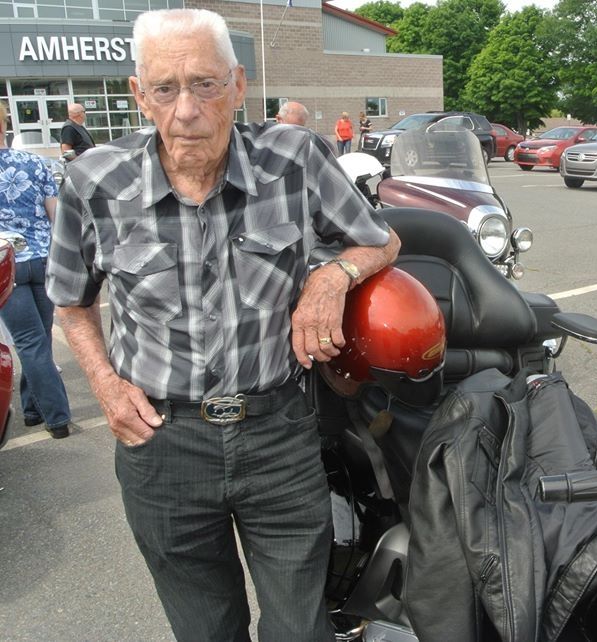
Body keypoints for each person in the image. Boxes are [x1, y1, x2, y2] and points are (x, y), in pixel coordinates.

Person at [45, 9, 400, 641]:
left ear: (238, 86)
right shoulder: (93, 181)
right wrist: (103, 381)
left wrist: (330, 278)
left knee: (301, 627)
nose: (186, 109)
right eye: (165, 88)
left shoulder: (294, 159)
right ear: (139, 95)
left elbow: (378, 240)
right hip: (160, 443)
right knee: (206, 630)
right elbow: (72, 303)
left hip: (279, 436)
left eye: (205, 84)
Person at [0, 102, 73, 439]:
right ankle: (32, 410)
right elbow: (56, 216)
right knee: (39, 339)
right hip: (42, 259)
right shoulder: (36, 164)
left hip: (5, 264)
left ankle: (57, 418)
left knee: (29, 343)